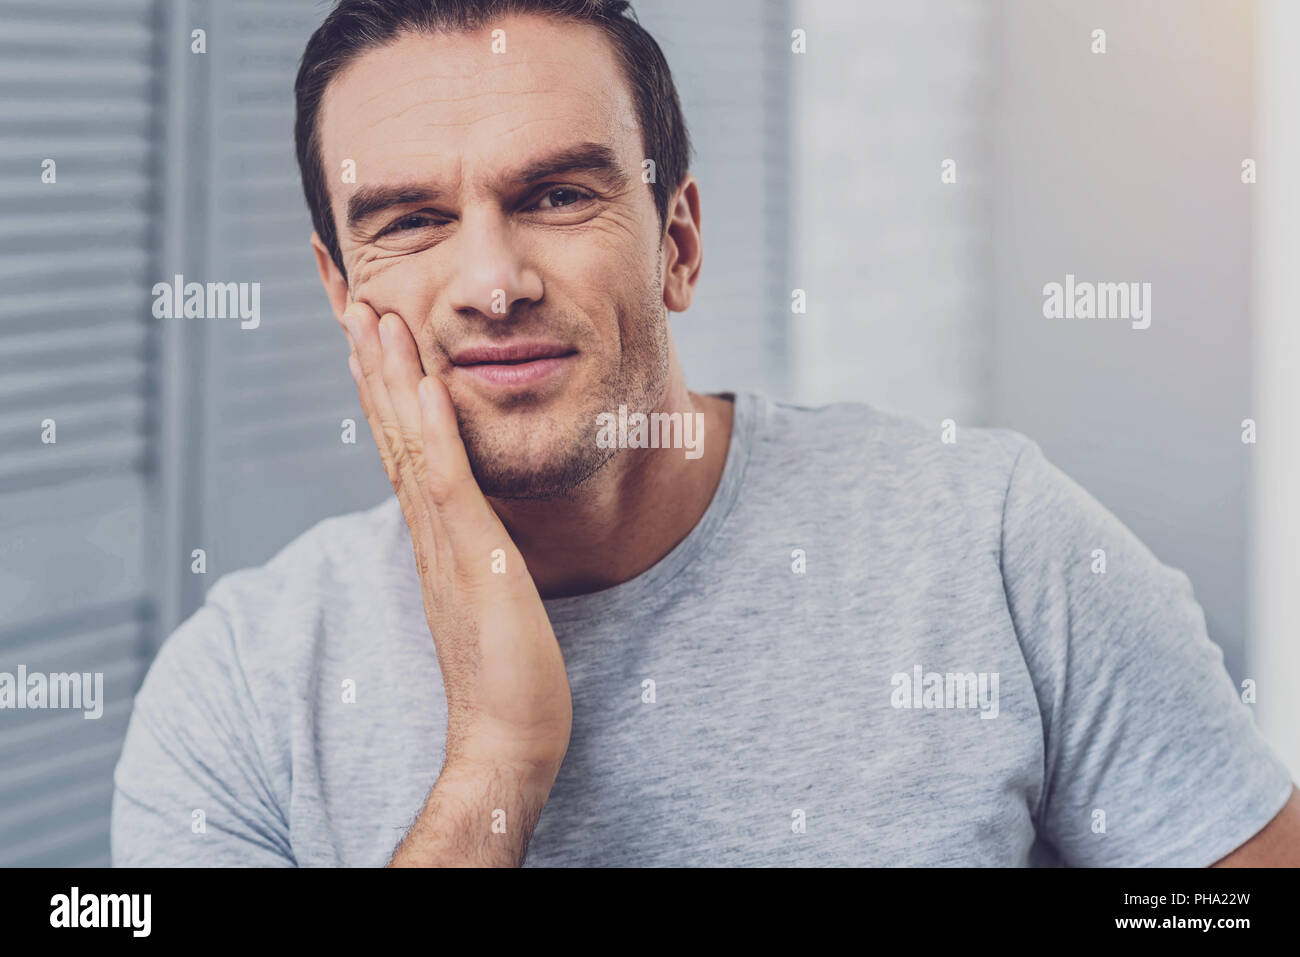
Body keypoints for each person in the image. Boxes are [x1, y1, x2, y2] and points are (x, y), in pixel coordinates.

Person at [111, 0, 1300, 867]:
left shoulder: (991, 539)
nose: (491, 281)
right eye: (411, 222)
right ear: (339, 288)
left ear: (676, 241)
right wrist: (494, 759)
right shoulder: (236, 691)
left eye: (556, 195)